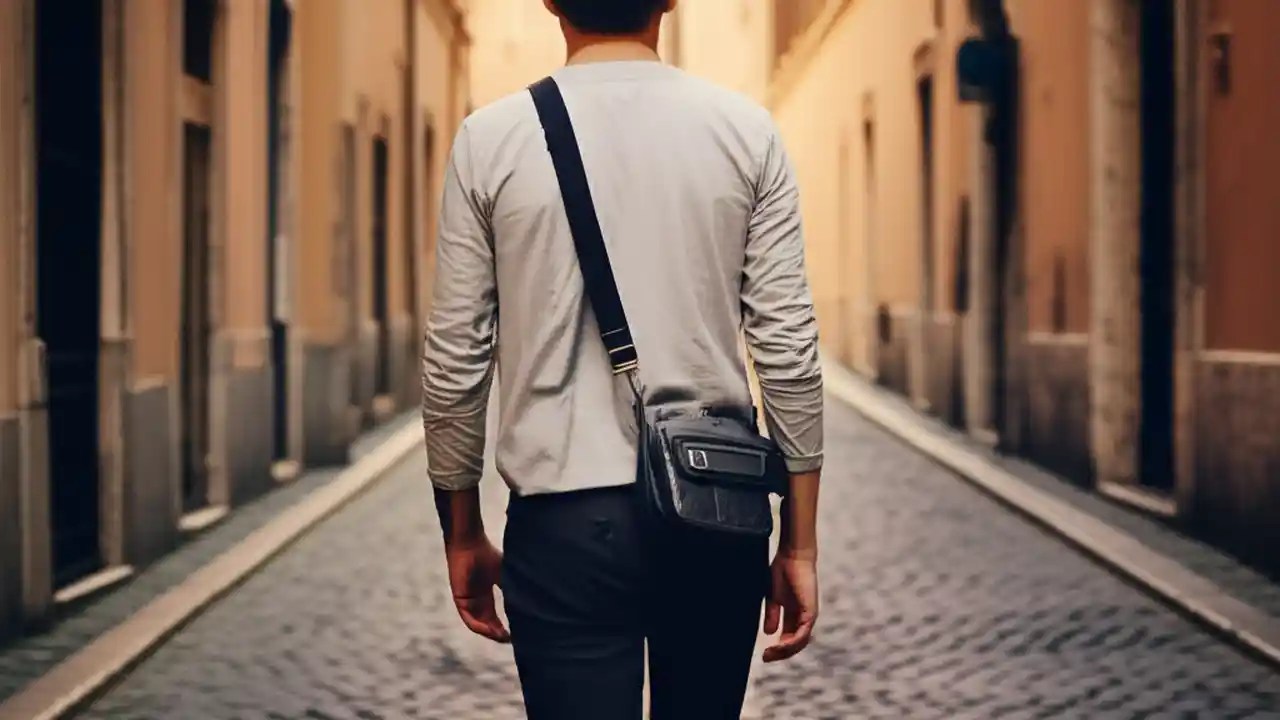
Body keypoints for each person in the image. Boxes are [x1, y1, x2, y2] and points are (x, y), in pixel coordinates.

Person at [421, 1, 823, 717]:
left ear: (549, 0)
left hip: (563, 523)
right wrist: (800, 542)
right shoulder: (745, 133)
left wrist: (461, 531)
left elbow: (455, 361)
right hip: (716, 513)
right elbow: (788, 352)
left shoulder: (491, 140)